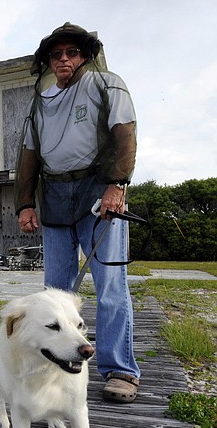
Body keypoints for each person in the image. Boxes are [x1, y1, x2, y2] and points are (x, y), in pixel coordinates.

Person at [14, 22, 140, 403]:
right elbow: (28, 155)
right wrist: (24, 203)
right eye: (56, 55)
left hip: (98, 187)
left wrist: (117, 185)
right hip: (54, 192)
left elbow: (125, 134)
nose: (63, 59)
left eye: (71, 53)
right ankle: (57, 364)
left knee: (110, 286)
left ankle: (120, 370)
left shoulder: (106, 84)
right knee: (56, 292)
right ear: (49, 61)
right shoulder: (42, 100)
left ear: (83, 55)